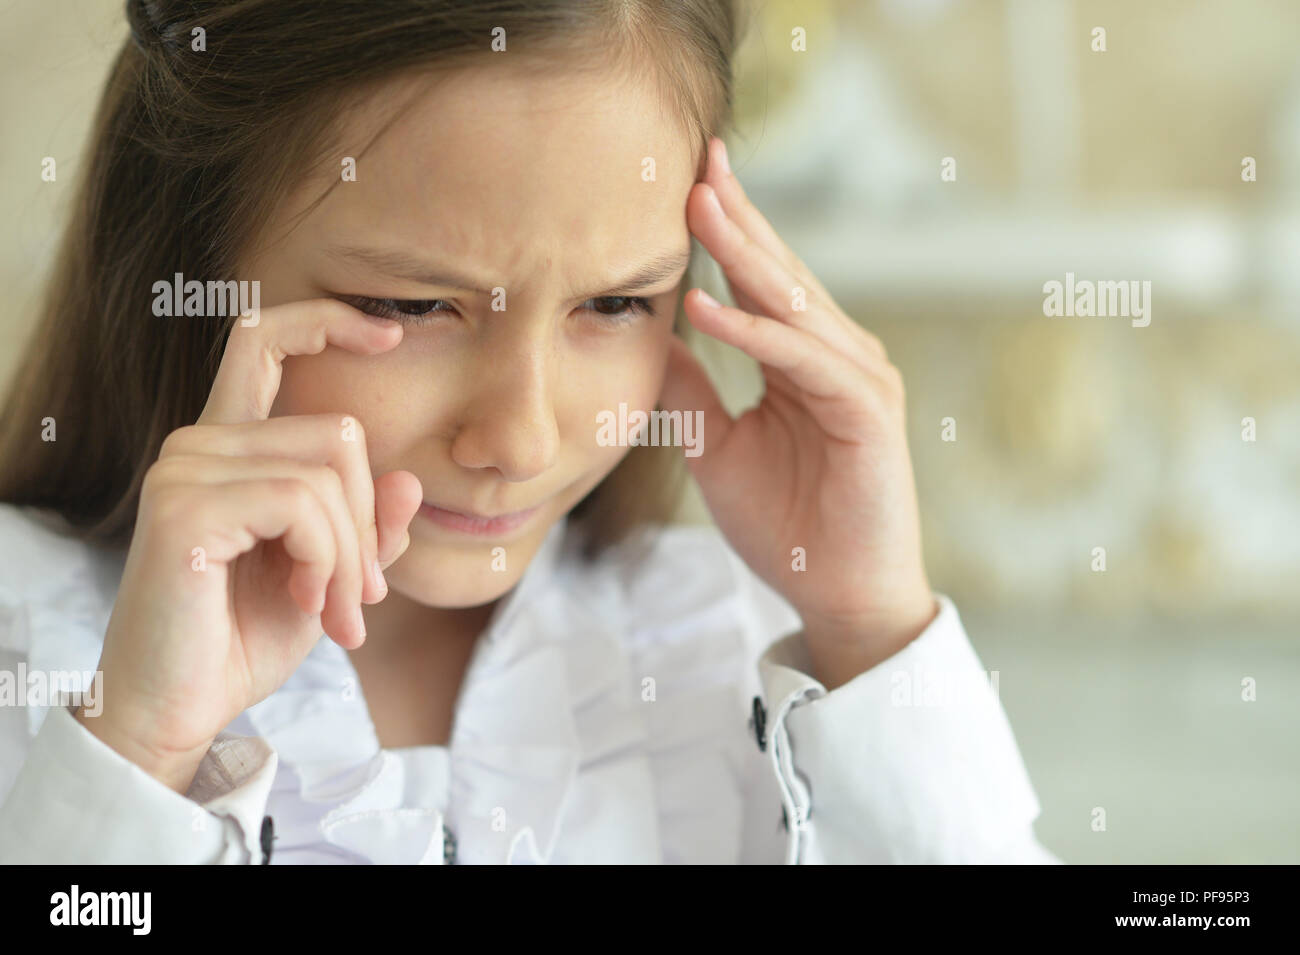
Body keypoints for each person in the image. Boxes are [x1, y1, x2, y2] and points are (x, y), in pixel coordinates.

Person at [0, 0, 1058, 864]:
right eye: (413, 308)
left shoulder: (734, 647)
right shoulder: (27, 643)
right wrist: (138, 748)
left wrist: (873, 628)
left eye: (615, 305)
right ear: (186, 266)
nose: (520, 438)